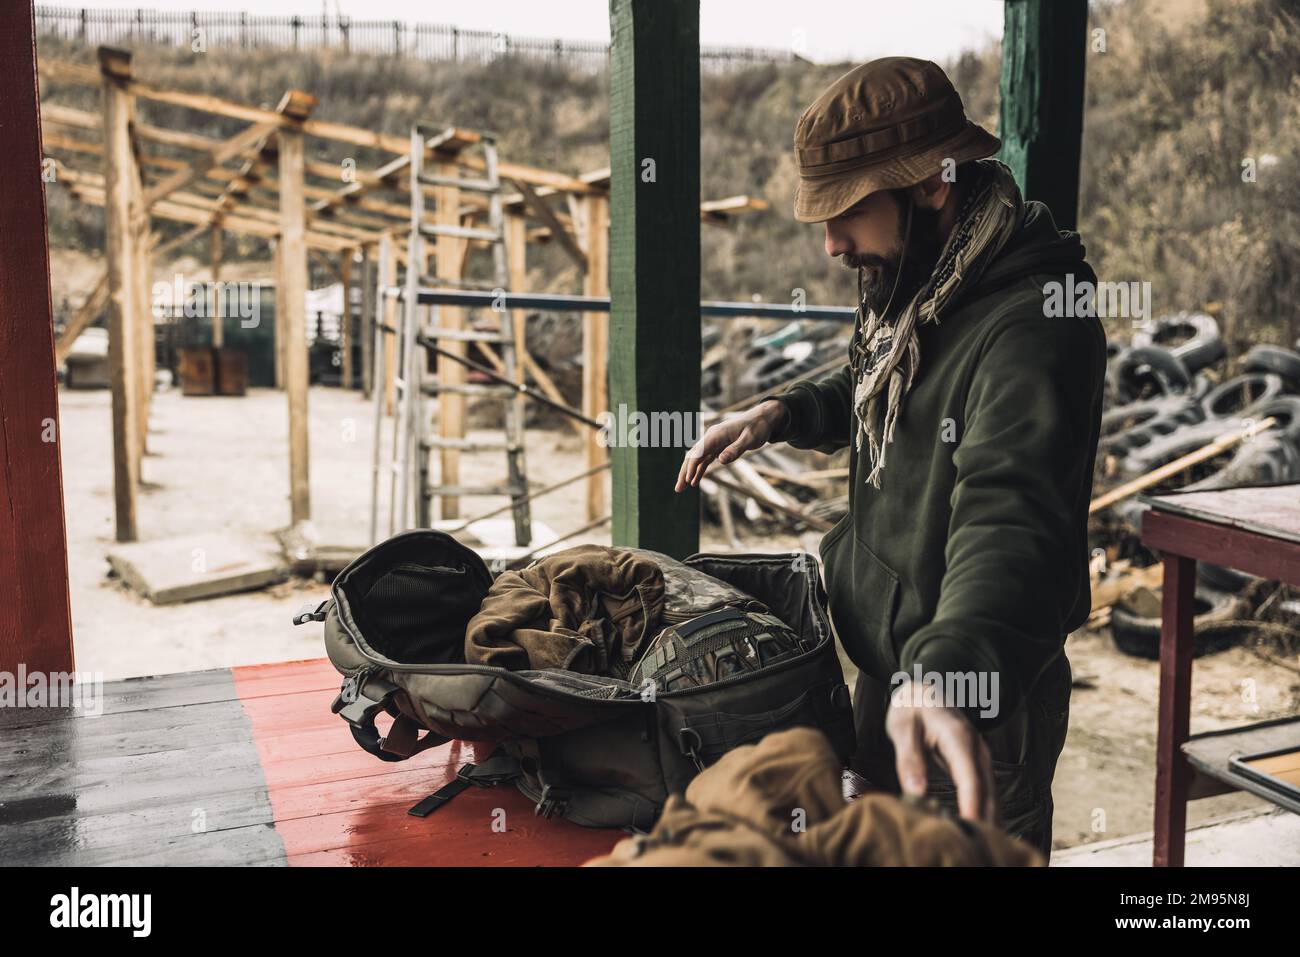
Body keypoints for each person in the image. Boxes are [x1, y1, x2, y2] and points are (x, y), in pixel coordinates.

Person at [675, 57, 1106, 858]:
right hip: (893, 672)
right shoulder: (932, 280)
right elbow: (887, 380)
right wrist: (785, 411)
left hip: (968, 694)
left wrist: (946, 671)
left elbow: (1011, 519)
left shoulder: (1035, 327)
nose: (833, 244)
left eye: (847, 213)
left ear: (932, 184)